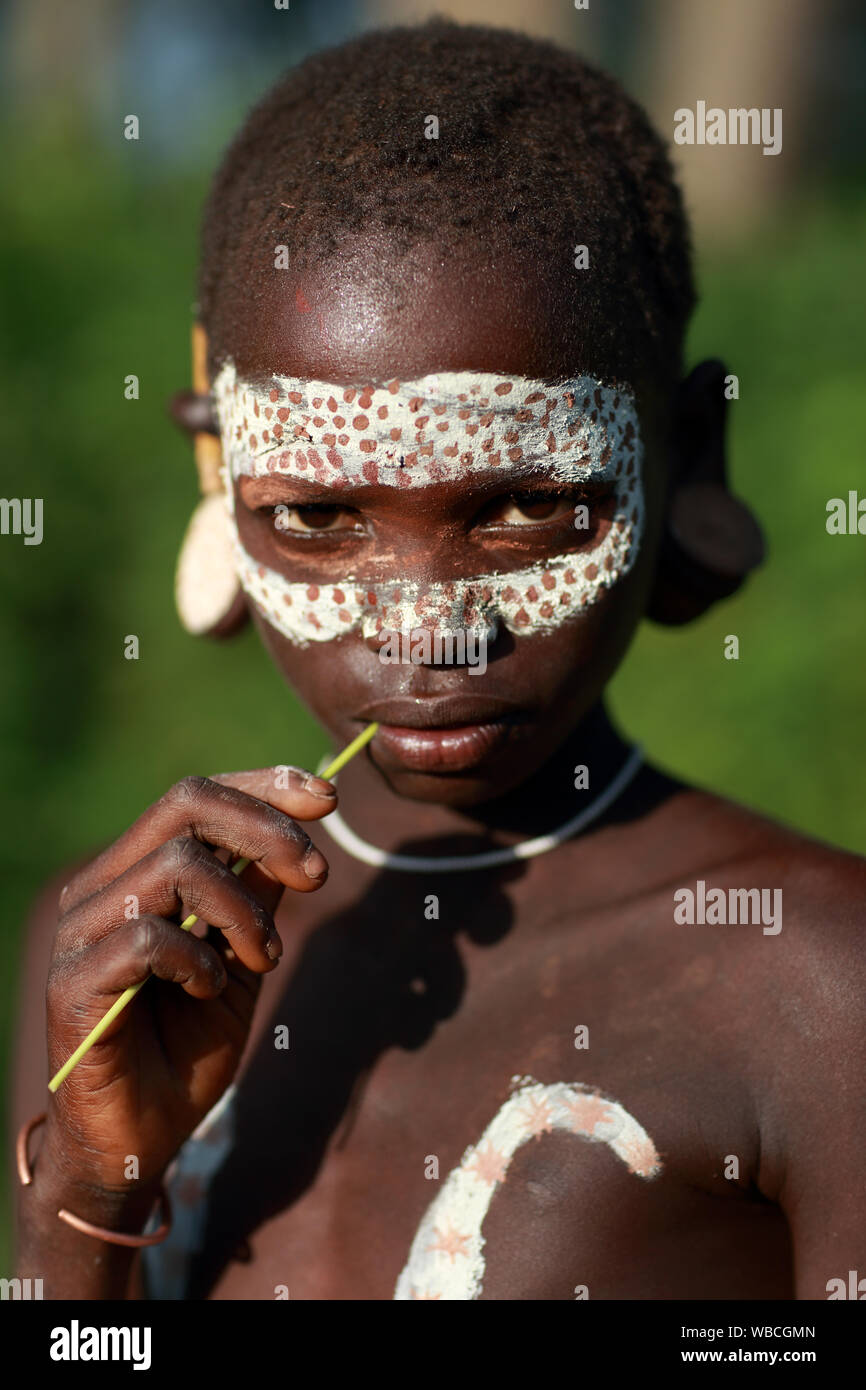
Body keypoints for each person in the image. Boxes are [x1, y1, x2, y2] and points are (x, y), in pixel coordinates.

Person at [12, 18, 865, 1302]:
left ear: (686, 454)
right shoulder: (131, 952)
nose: (426, 629)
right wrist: (87, 1195)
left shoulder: (815, 981)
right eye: (316, 516)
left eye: (522, 507)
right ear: (218, 474)